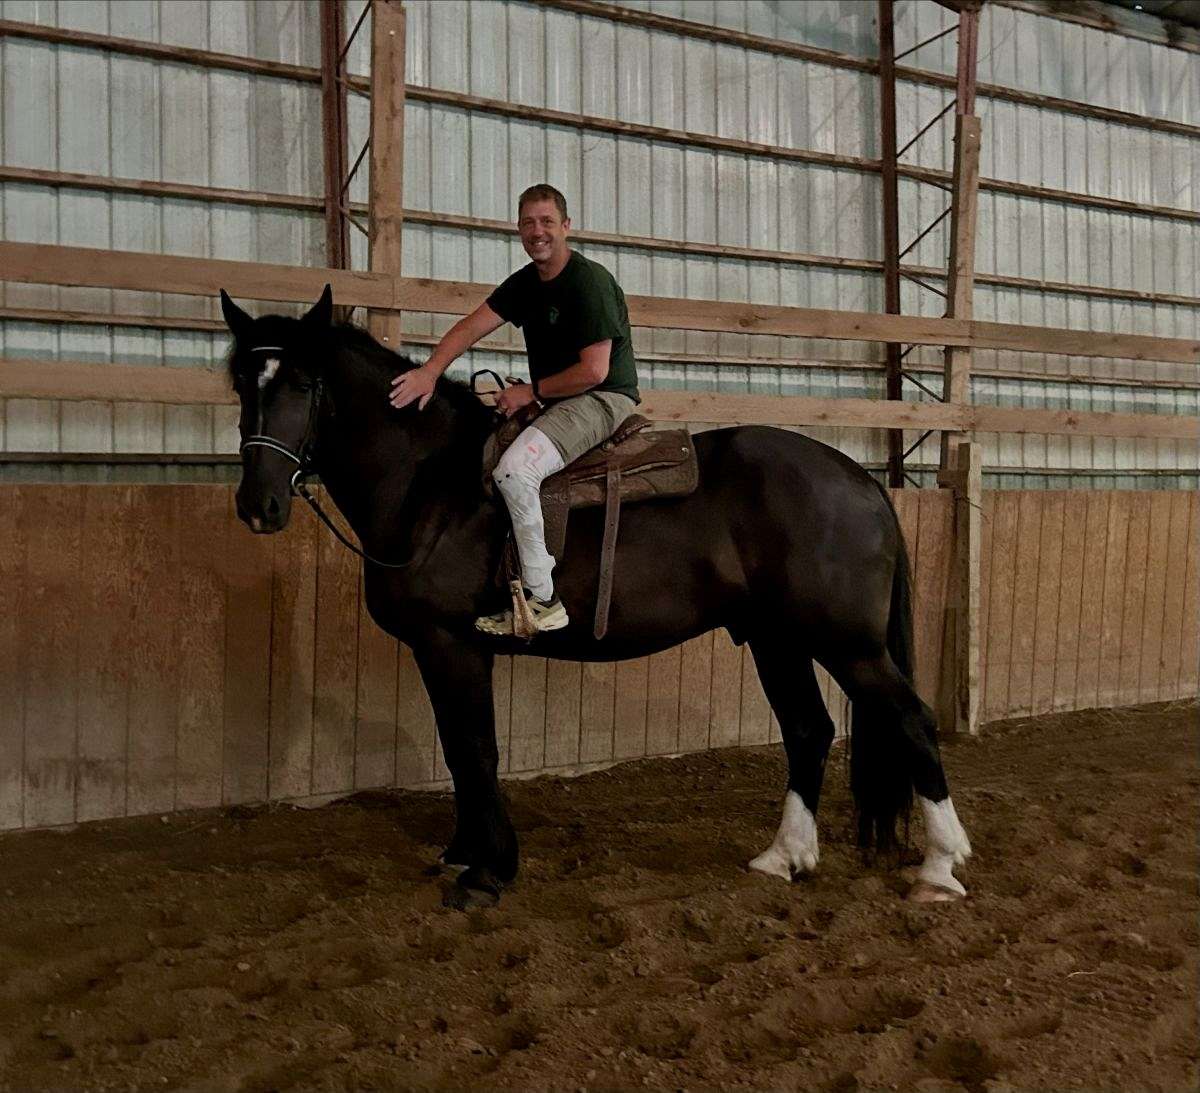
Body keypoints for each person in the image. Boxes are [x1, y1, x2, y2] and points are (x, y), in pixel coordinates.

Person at [389, 183, 641, 636]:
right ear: (518, 229)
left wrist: (533, 393)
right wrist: (430, 370)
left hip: (602, 398)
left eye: (547, 222)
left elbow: (595, 371)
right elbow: (470, 327)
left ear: (566, 226)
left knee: (513, 472)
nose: (537, 231)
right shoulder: (526, 283)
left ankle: (543, 598)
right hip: (561, 396)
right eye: (528, 223)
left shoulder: (589, 281)